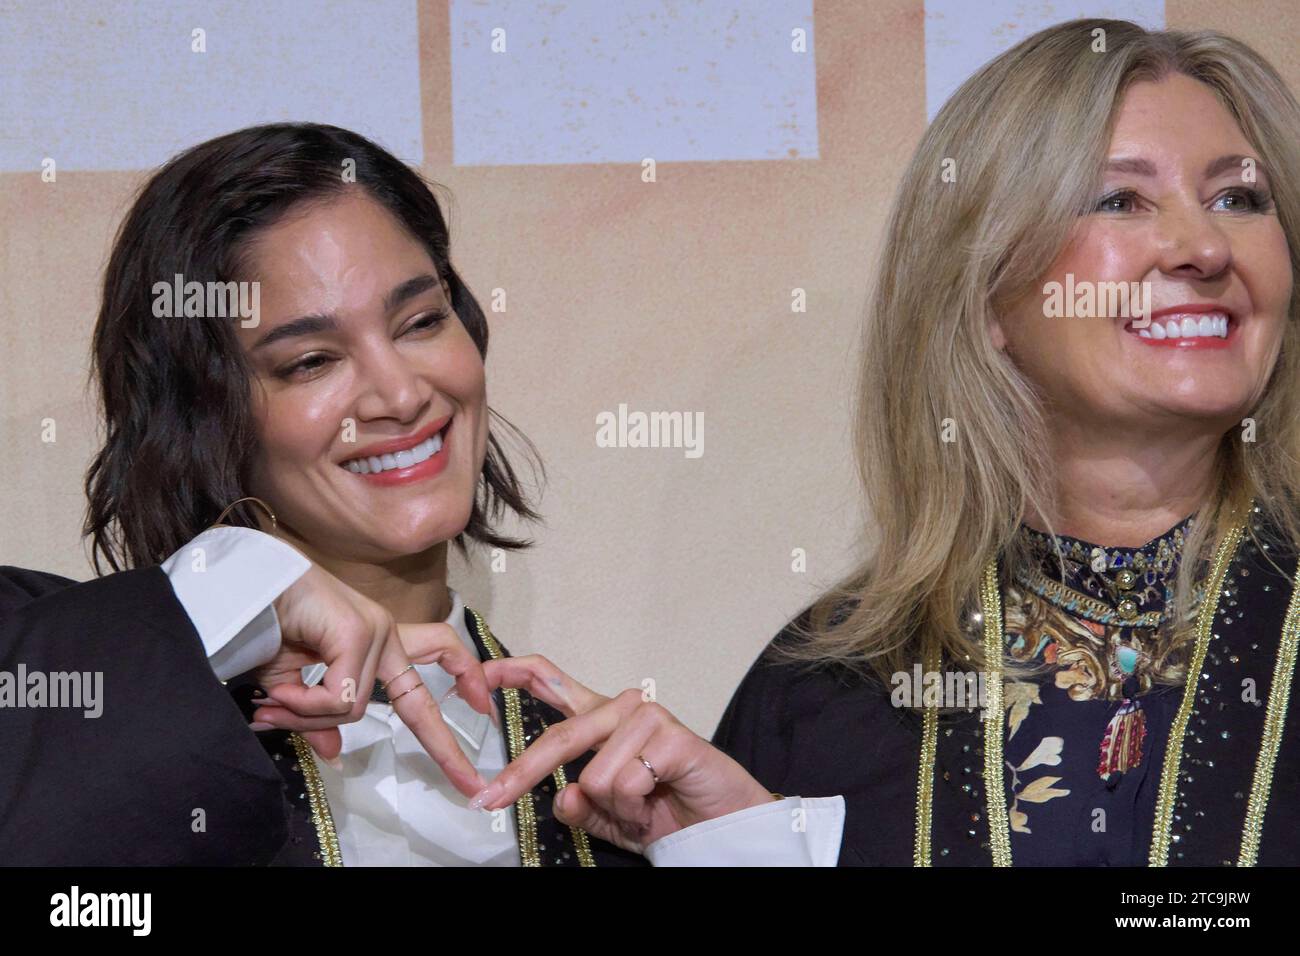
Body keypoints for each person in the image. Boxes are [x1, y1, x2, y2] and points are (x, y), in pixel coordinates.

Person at [467, 18, 1300, 866]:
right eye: (1119, 199)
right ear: (985, 295)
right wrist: (749, 852)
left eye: (1239, 198)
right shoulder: (828, 692)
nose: (1202, 246)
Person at [12, 122, 835, 865]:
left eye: (420, 322)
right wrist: (234, 584)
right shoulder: (80, 719)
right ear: (203, 419)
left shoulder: (610, 800)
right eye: (310, 362)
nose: (400, 395)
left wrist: (740, 847)